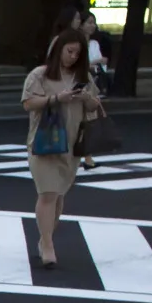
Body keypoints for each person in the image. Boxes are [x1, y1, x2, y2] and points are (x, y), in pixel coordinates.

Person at [23, 30, 101, 270]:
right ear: (58, 51)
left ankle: (45, 238)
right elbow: (28, 103)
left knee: (58, 196)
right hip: (44, 142)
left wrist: (86, 97)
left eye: (78, 53)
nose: (73, 57)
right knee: (47, 193)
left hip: (72, 144)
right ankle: (47, 245)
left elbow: (95, 106)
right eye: (69, 51)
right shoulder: (40, 75)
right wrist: (57, 98)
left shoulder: (83, 76)